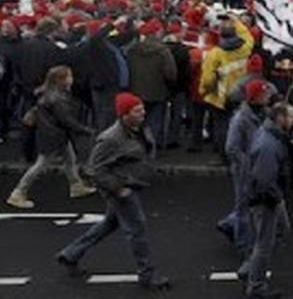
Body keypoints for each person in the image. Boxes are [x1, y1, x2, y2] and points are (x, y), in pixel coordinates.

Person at [56, 92, 171, 290]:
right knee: (137, 230)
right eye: (137, 111)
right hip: (122, 190)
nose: (143, 113)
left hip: (130, 184)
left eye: (142, 109)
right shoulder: (110, 139)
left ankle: (70, 254)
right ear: (124, 115)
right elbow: (94, 169)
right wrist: (118, 188)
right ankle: (147, 275)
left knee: (109, 224)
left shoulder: (139, 129)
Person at [7, 66, 95, 208]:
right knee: (40, 165)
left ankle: (76, 185)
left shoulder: (47, 94)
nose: (72, 79)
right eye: (69, 76)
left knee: (70, 159)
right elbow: (66, 120)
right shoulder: (57, 99)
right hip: (54, 137)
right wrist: (85, 130)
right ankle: (18, 193)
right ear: (61, 80)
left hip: (52, 134)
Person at [242, 103, 293, 299]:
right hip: (266, 200)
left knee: (280, 230)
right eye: (291, 116)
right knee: (265, 243)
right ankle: (256, 285)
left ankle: (251, 269)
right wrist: (278, 198)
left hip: (268, 197)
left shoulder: (269, 136)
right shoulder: (269, 145)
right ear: (281, 118)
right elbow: (265, 180)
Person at [218, 79, 270, 255]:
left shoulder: (263, 113)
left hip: (256, 167)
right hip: (244, 171)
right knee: (243, 207)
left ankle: (228, 224)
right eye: (264, 93)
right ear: (255, 97)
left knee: (248, 203)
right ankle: (244, 245)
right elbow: (231, 148)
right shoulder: (240, 119)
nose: (267, 96)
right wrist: (248, 165)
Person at [199, 15, 255, 157]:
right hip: (240, 94)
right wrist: (234, 20)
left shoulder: (215, 54)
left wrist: (204, 91)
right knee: (238, 125)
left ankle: (223, 155)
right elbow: (247, 35)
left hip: (220, 97)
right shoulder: (245, 48)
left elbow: (207, 80)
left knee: (221, 127)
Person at [125, 20, 177, 152]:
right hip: (158, 91)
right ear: (156, 33)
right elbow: (170, 73)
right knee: (155, 122)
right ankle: (151, 149)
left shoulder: (132, 50)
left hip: (136, 90)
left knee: (138, 121)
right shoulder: (163, 51)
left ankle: (137, 147)